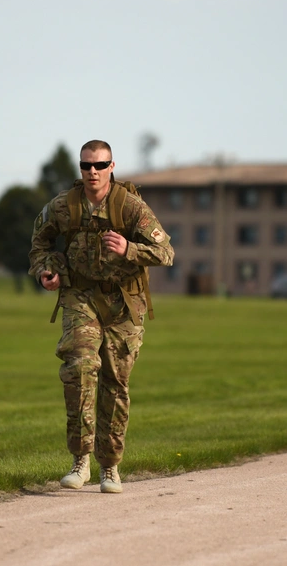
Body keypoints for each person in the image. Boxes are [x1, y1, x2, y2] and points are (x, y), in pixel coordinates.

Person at [29, 139, 174, 492]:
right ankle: (80, 461)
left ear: (112, 167)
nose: (92, 172)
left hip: (123, 305)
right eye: (86, 166)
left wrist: (129, 248)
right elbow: (39, 244)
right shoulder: (64, 206)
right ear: (80, 169)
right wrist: (46, 270)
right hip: (80, 297)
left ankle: (110, 466)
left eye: (99, 165)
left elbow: (166, 252)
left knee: (115, 382)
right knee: (79, 367)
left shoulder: (131, 207)